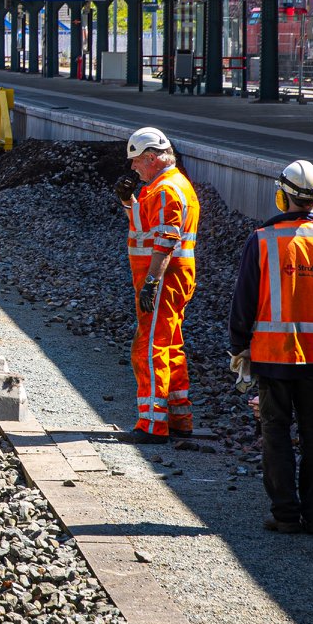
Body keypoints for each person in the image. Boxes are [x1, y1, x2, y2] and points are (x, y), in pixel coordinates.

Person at [230, 160, 313, 534]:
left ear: (282, 196)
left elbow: (244, 301)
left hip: (273, 357)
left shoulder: (263, 240)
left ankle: (285, 514)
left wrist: (239, 346)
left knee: (276, 432)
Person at [118, 126, 199, 443]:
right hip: (173, 277)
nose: (133, 167)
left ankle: (151, 425)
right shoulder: (167, 186)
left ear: (151, 158)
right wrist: (128, 202)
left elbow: (165, 239)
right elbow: (148, 227)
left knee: (149, 348)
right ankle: (180, 417)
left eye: (136, 161)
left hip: (163, 279)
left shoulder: (166, 190)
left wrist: (152, 282)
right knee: (170, 344)